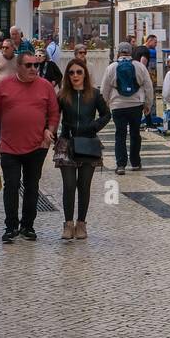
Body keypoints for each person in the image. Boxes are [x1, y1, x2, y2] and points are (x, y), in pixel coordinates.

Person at [0, 50, 59, 244]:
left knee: (32, 186)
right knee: (11, 185)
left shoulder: (46, 87)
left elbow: (54, 113)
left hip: (37, 146)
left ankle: (28, 225)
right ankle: (11, 226)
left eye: (36, 65)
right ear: (18, 67)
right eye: (29, 65)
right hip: (9, 146)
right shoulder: (4, 86)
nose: (34, 69)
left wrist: (49, 131)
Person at [56, 59, 110, 241]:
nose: (75, 76)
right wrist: (52, 133)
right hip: (67, 143)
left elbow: (106, 114)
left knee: (84, 186)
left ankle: (81, 224)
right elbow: (53, 115)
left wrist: (93, 126)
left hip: (88, 143)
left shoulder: (94, 94)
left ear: (85, 74)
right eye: (71, 73)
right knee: (69, 185)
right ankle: (68, 224)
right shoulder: (63, 95)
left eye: (79, 72)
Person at [101, 42, 153, 175]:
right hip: (136, 105)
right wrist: (148, 104)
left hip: (118, 106)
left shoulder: (111, 67)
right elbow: (148, 87)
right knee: (135, 134)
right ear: (131, 52)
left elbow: (104, 88)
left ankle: (121, 165)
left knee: (120, 134)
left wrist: (106, 103)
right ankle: (135, 163)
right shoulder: (140, 66)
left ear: (118, 52)